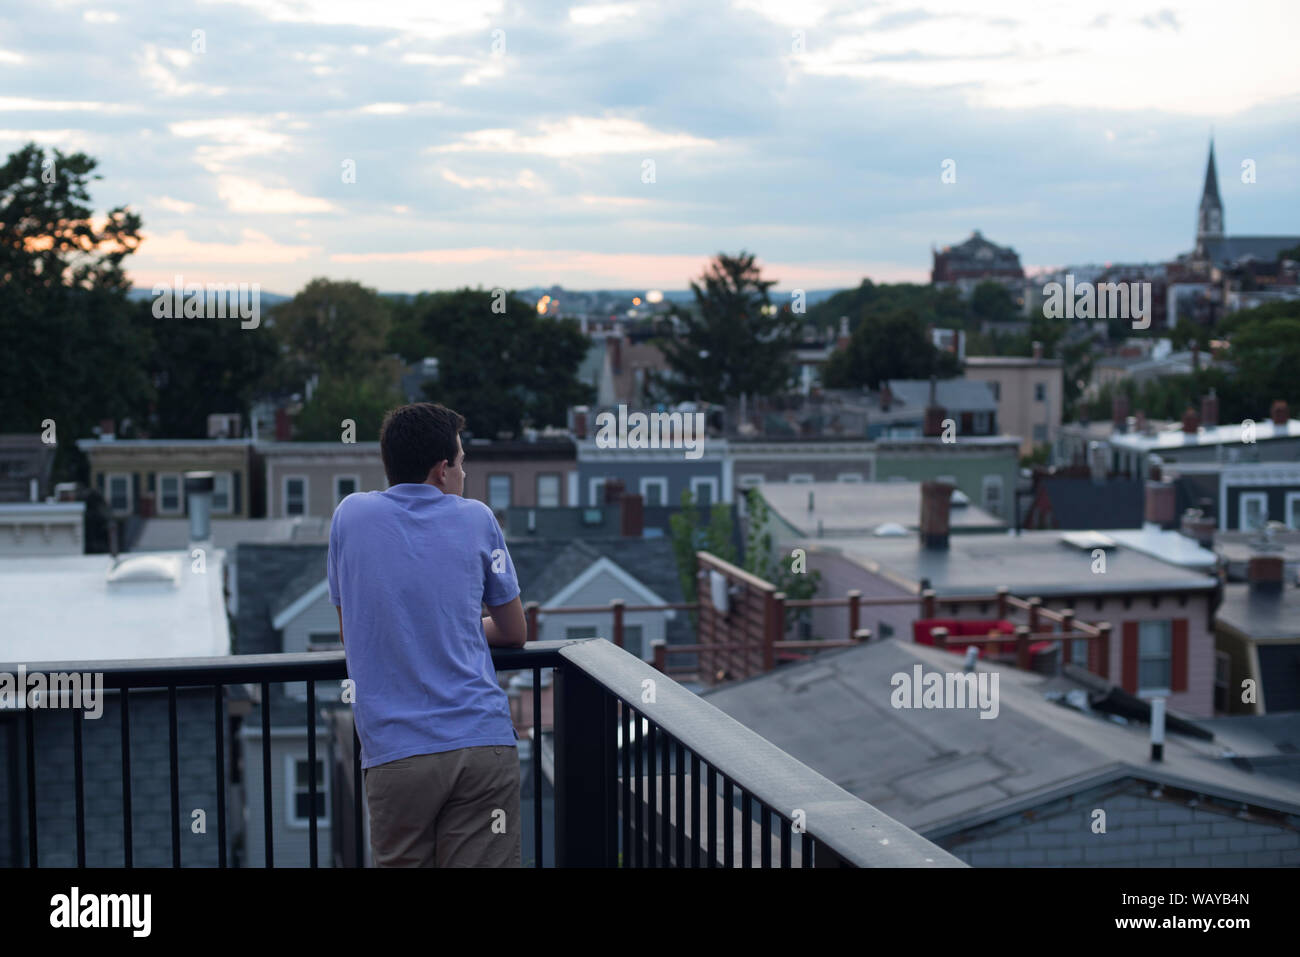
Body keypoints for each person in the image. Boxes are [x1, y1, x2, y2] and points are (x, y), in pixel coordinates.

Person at [328, 402, 528, 867]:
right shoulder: (478, 519)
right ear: (442, 470)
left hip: (395, 754)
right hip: (481, 744)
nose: (463, 474)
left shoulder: (350, 517)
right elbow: (514, 631)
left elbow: (351, 629)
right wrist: (455, 625)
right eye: (461, 463)